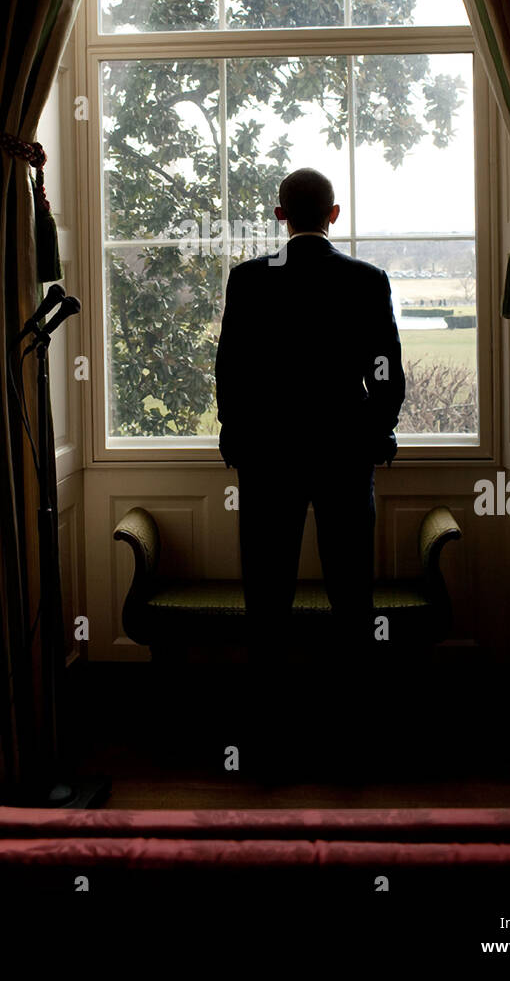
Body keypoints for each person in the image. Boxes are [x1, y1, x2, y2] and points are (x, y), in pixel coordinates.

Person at [215, 168, 405, 775]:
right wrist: (377, 429)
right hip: (344, 453)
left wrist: (237, 435)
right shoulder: (366, 280)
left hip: (269, 457)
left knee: (266, 600)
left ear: (279, 215)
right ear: (334, 214)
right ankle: (355, 739)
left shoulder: (248, 281)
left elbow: (232, 370)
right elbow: (384, 371)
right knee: (353, 596)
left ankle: (267, 740)